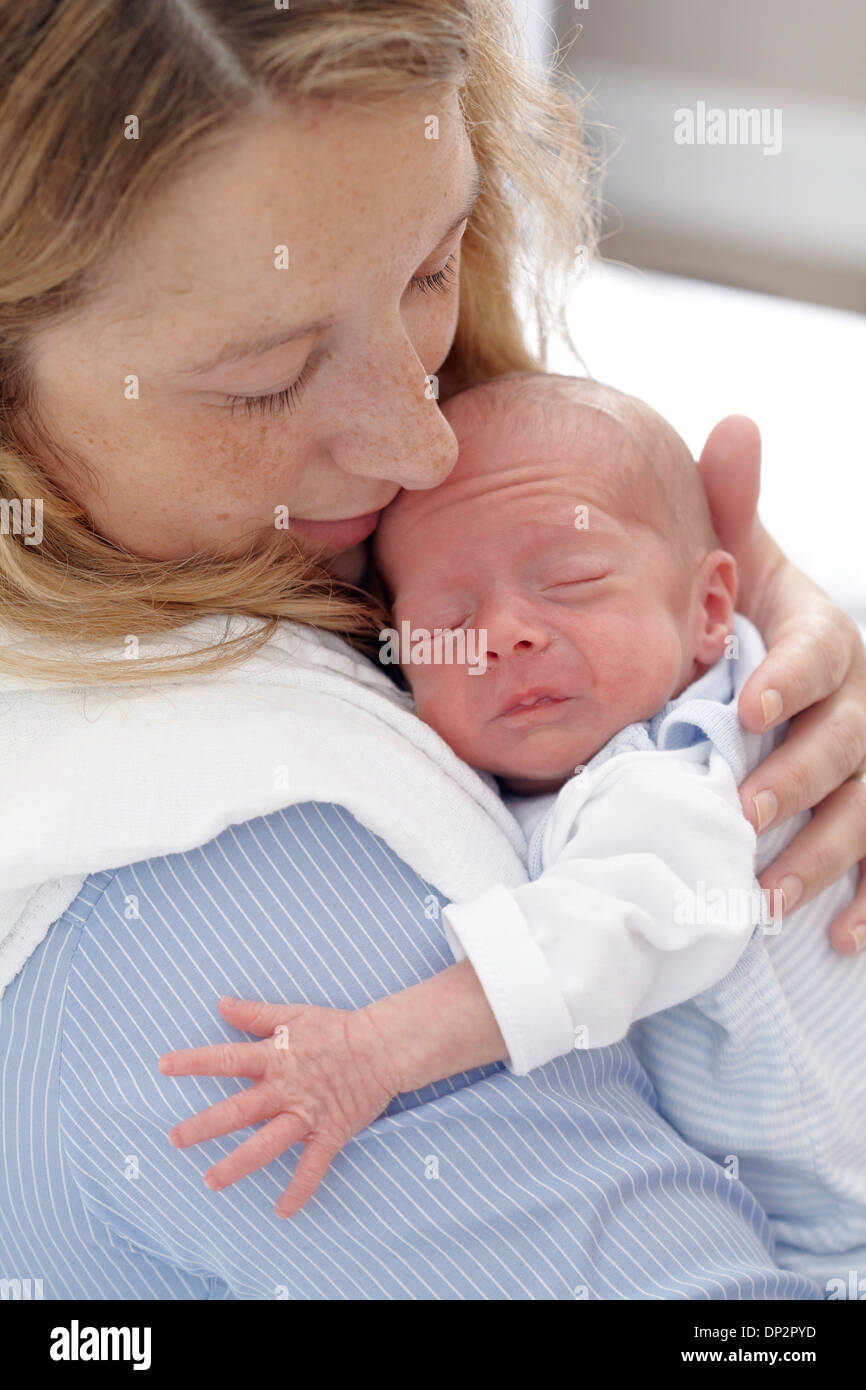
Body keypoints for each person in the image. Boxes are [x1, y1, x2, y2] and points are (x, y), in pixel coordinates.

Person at [1, 1, 864, 1301]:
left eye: (427, 266)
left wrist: (753, 630)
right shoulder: (223, 909)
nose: (423, 443)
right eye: (265, 380)